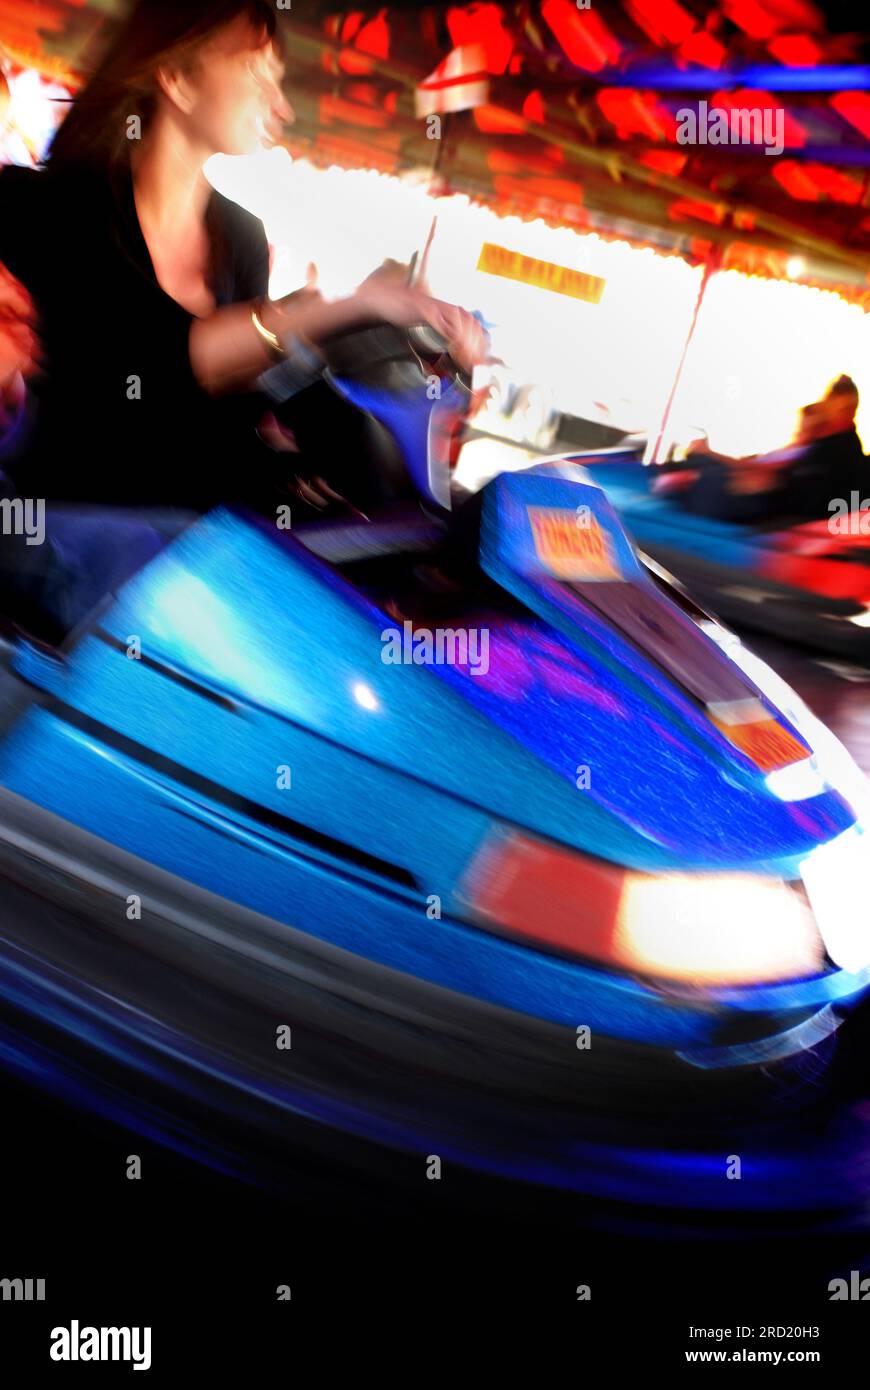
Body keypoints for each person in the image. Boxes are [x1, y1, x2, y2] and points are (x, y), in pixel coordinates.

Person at [0, 0, 485, 634]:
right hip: (77, 557)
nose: (280, 104)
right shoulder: (51, 208)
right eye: (259, 74)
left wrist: (401, 449)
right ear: (175, 78)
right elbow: (158, 357)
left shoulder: (239, 236)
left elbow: (256, 396)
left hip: (205, 556)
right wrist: (339, 310)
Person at [666, 376, 867, 524]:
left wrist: (774, 481)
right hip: (777, 497)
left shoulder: (840, 449)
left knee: (711, 479)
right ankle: (681, 484)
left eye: (835, 406)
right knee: (708, 472)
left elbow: (813, 493)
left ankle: (681, 486)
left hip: (778, 506)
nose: (829, 411)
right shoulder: (823, 445)